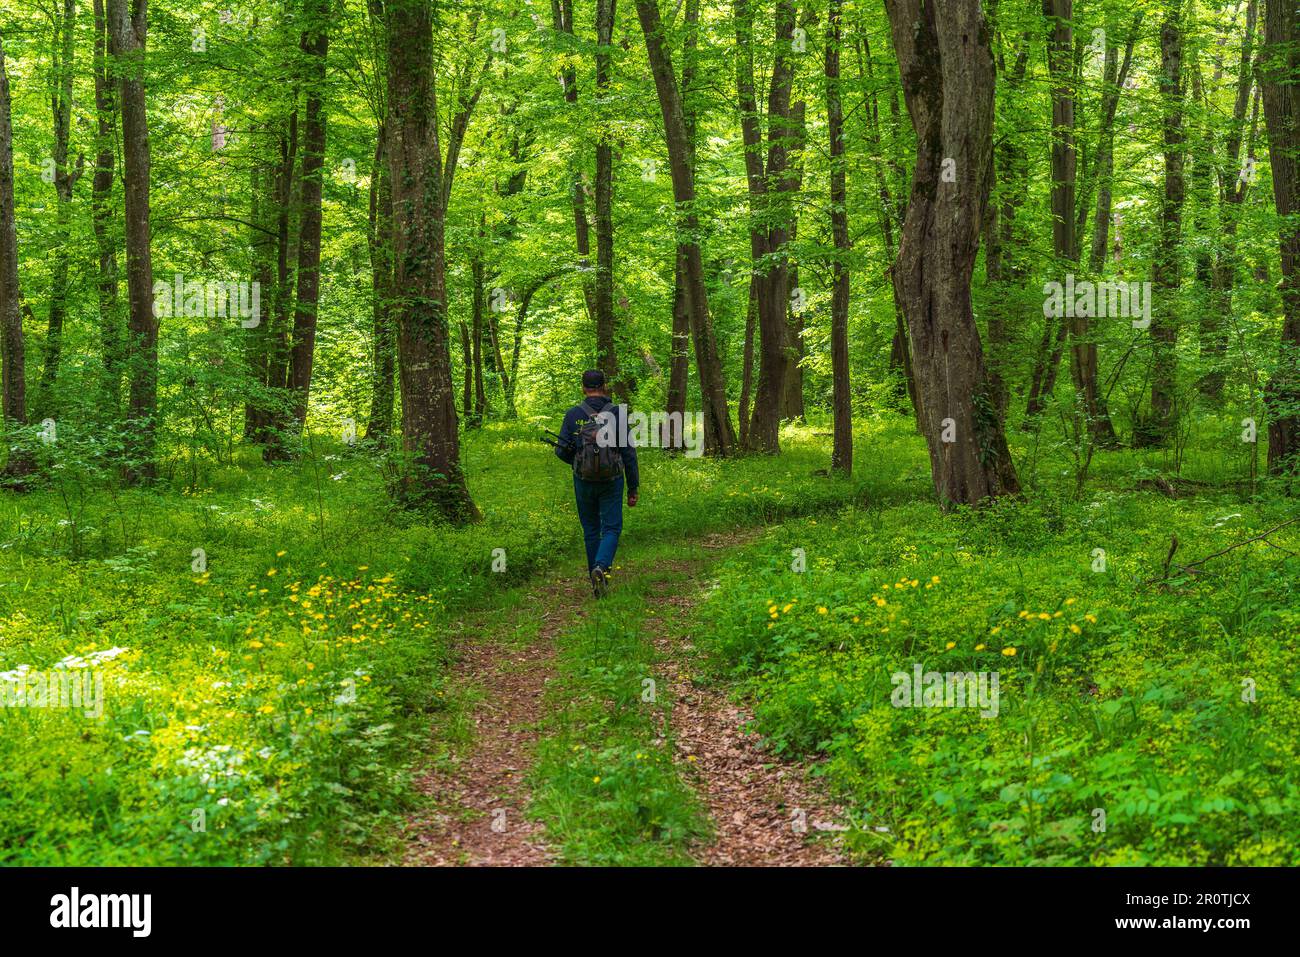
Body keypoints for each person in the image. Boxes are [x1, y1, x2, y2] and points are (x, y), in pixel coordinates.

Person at [553, 370, 639, 597]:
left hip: (583, 481)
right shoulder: (618, 413)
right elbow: (629, 453)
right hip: (613, 480)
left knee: (590, 529)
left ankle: (596, 582)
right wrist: (633, 487)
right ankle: (602, 567)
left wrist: (579, 463)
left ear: (583, 387)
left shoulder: (573, 415)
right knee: (611, 527)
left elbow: (560, 450)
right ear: (605, 386)